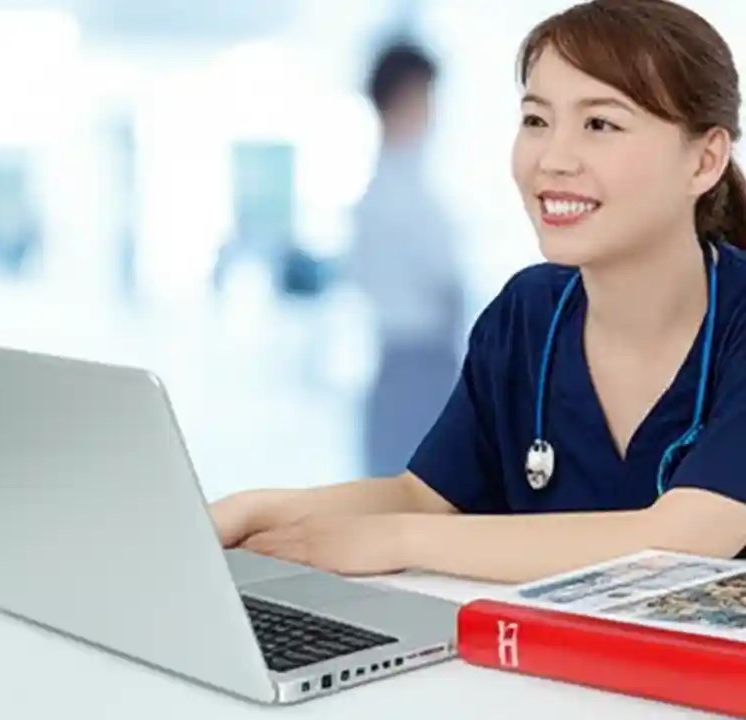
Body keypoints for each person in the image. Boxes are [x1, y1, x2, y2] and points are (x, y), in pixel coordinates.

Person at [210, 0, 746, 584]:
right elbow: (423, 496)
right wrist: (254, 510)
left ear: (705, 161)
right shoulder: (528, 314)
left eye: (600, 124)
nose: (552, 159)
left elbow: (683, 539)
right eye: (536, 120)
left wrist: (397, 540)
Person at [348, 41, 464, 478]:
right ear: (402, 100)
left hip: (414, 365)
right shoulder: (394, 196)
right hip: (416, 367)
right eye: (426, 97)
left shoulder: (401, 185)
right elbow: (442, 280)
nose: (432, 112)